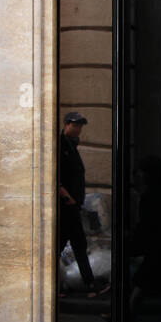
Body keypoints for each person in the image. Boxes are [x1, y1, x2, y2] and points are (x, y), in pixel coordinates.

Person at [59, 111, 109, 297]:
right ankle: (90, 285)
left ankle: (61, 285)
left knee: (70, 245)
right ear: (66, 124)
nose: (78, 128)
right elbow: (56, 176)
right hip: (66, 206)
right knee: (78, 244)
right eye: (75, 124)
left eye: (80, 125)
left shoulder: (72, 146)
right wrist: (67, 197)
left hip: (73, 206)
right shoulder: (60, 145)